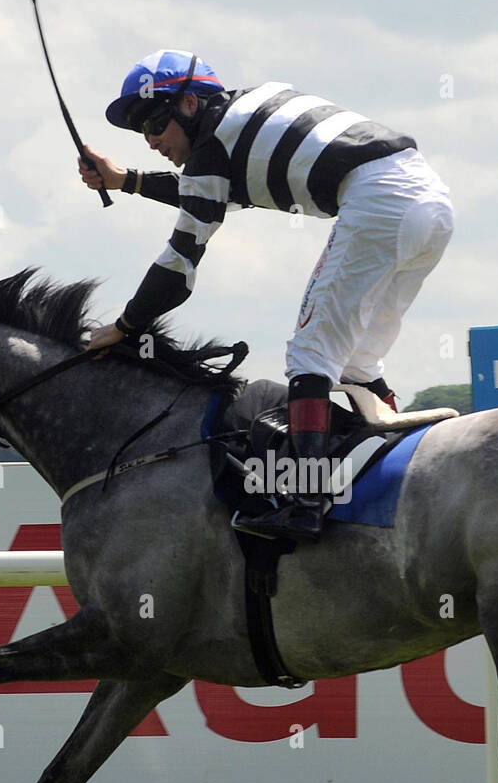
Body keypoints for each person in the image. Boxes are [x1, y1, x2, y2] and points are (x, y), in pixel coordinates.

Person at [79, 49, 454, 541]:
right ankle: (411, 467)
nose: (150, 141)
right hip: (431, 201)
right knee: (357, 365)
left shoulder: (214, 147)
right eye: (140, 132)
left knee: (309, 355)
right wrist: (124, 181)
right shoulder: (238, 121)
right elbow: (204, 192)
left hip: (379, 201)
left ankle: (305, 502)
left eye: (154, 121)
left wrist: (125, 327)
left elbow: (178, 266)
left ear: (190, 105)